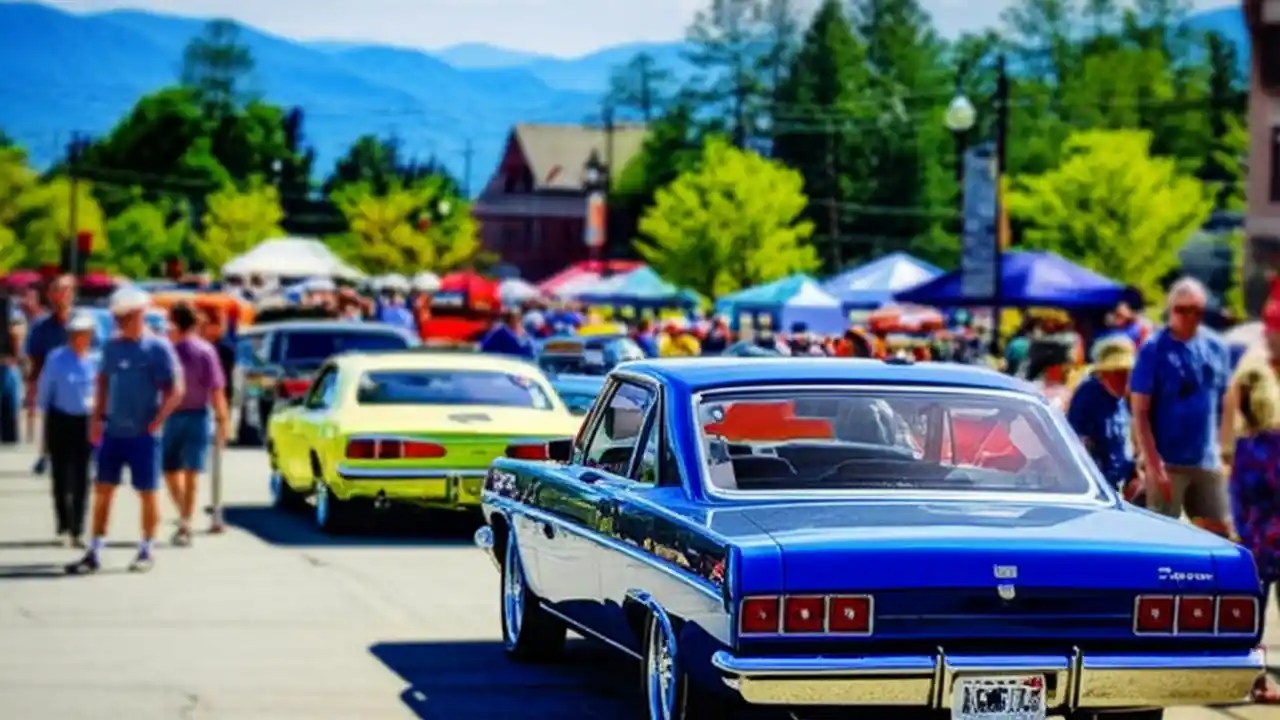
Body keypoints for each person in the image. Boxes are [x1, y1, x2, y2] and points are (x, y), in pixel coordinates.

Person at [66, 286, 182, 575]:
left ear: (139, 315)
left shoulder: (158, 347)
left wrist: (159, 419)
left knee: (147, 492)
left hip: (143, 435)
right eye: (117, 318)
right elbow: (102, 382)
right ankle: (94, 550)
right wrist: (96, 420)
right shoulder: (112, 347)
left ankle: (146, 549)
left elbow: (176, 388)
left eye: (125, 317)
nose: (119, 323)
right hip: (113, 432)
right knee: (103, 490)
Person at [1130, 277, 1232, 537]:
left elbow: (1225, 402)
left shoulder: (1216, 347)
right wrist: (1153, 465)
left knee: (1219, 533)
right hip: (1168, 462)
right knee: (1163, 536)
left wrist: (1225, 451)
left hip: (1207, 459)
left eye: (1196, 310)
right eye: (1181, 310)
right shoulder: (1153, 349)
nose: (1189, 317)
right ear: (1170, 309)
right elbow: (1140, 411)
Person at [1220, 279, 1280, 703]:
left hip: (1256, 543)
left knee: (1254, 617)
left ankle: (1257, 679)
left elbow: (1238, 497)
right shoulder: (1274, 443)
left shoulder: (1245, 447)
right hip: (1274, 539)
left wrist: (1239, 530)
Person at [163, 302, 228, 546]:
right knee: (175, 470)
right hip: (182, 415)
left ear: (177, 323)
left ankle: (185, 523)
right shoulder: (170, 350)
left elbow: (216, 389)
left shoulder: (201, 351)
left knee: (185, 471)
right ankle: (185, 514)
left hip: (192, 416)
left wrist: (222, 419)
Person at [35, 312, 98, 547]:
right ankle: (63, 522)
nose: (80, 339)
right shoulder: (56, 358)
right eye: (75, 335)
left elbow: (100, 391)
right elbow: (45, 388)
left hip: (85, 421)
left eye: (84, 335)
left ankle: (78, 528)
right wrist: (40, 415)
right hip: (60, 419)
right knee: (61, 475)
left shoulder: (94, 360)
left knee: (83, 476)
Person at [1066, 336, 1137, 494]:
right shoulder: (1087, 395)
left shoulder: (1123, 399)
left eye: (1128, 373)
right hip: (1098, 486)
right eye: (1118, 373)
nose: (1124, 379)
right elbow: (1078, 442)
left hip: (1121, 483)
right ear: (1103, 374)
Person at [25, 275, 76, 444]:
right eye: (55, 291)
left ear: (72, 294)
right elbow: (36, 362)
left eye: (64, 290)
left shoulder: (84, 324)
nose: (59, 295)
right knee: (57, 443)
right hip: (54, 393)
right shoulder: (40, 327)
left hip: (81, 391)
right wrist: (31, 393)